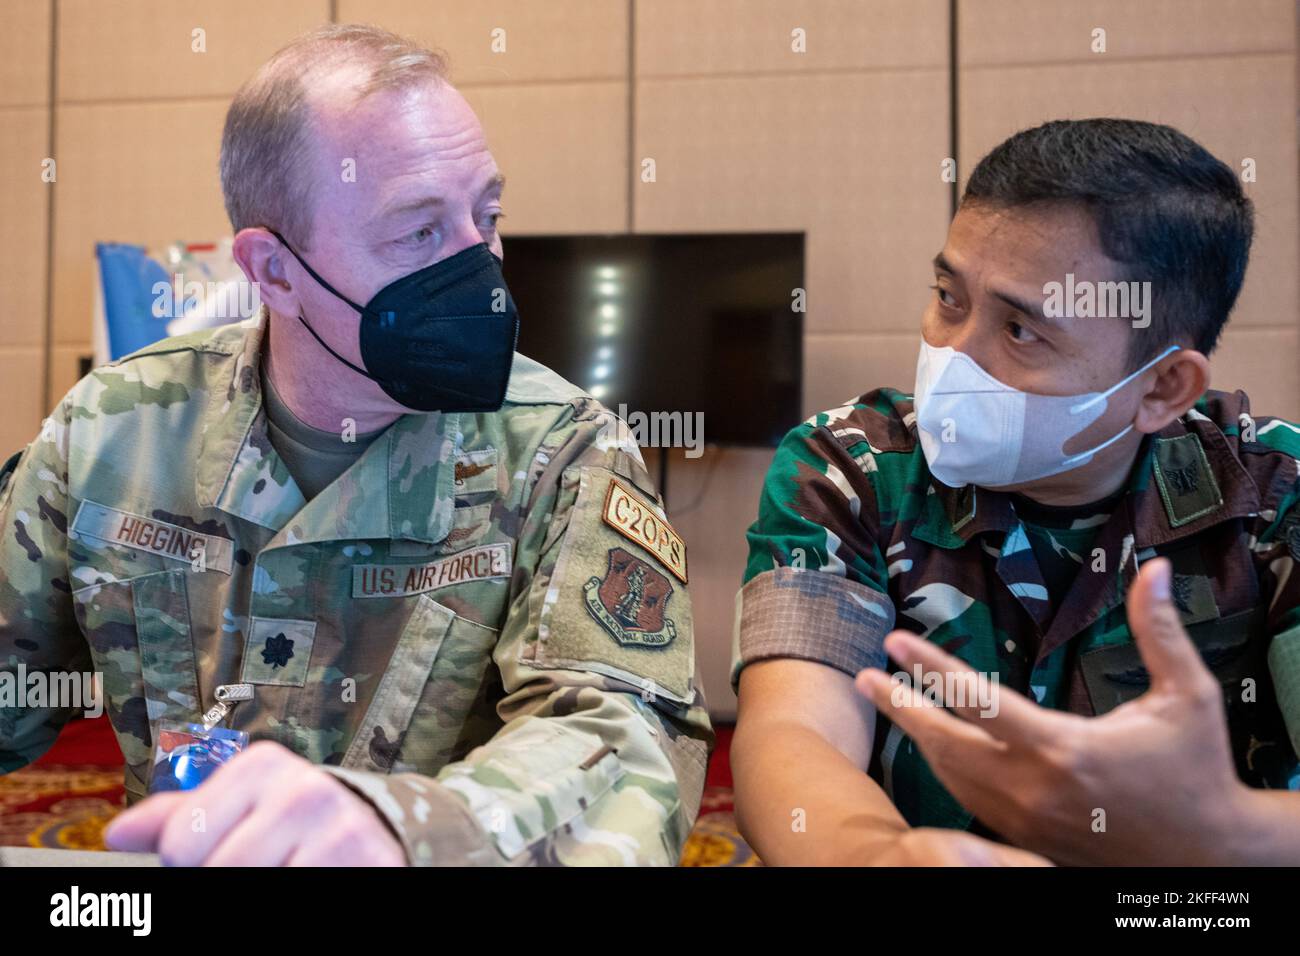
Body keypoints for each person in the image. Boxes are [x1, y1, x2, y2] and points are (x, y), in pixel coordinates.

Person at [0, 24, 711, 866]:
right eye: (417, 234)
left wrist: (409, 829)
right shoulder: (113, 429)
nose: (480, 269)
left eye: (486, 216)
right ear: (273, 271)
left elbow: (626, 746)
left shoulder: (563, 450)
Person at [731, 118, 1300, 866]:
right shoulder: (854, 468)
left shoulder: (1269, 489)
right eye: (948, 296)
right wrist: (877, 858)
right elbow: (793, 733)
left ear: (1162, 386)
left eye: (1022, 331)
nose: (950, 356)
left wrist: (1220, 830)